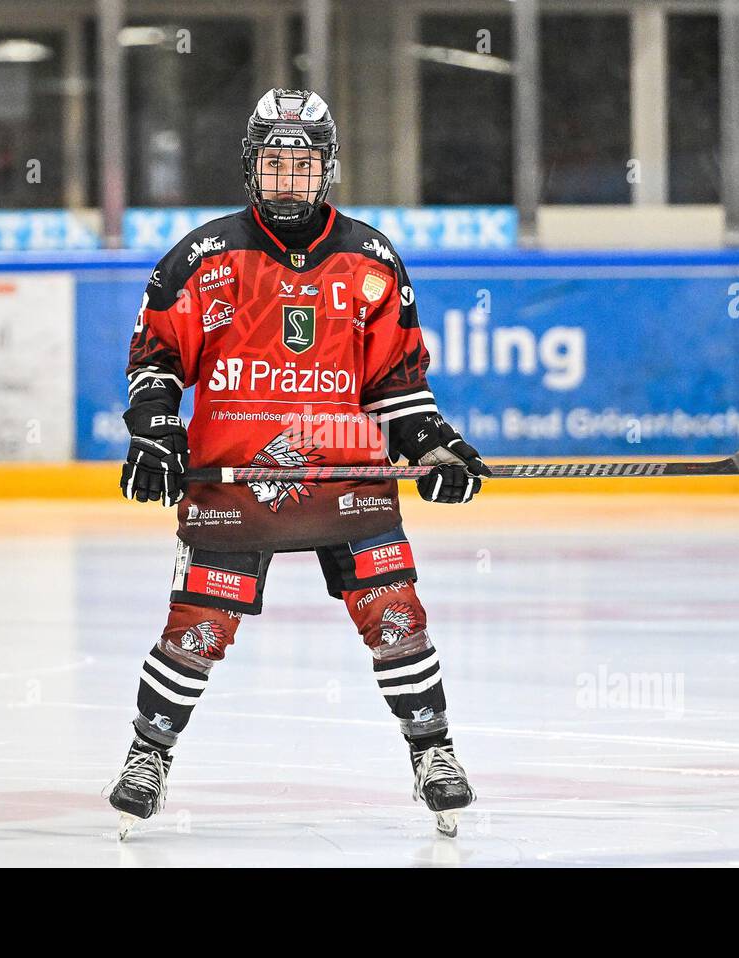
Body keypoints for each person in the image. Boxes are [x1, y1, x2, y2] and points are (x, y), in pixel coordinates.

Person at [105, 88, 491, 839]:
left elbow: (396, 385)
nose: (289, 181)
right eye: (275, 165)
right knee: (198, 626)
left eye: (303, 166)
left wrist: (433, 446)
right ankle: (147, 755)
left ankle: (433, 752)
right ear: (251, 168)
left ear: (328, 170)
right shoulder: (205, 256)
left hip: (347, 475)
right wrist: (153, 430)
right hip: (235, 480)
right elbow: (155, 359)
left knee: (396, 616)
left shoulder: (371, 261)